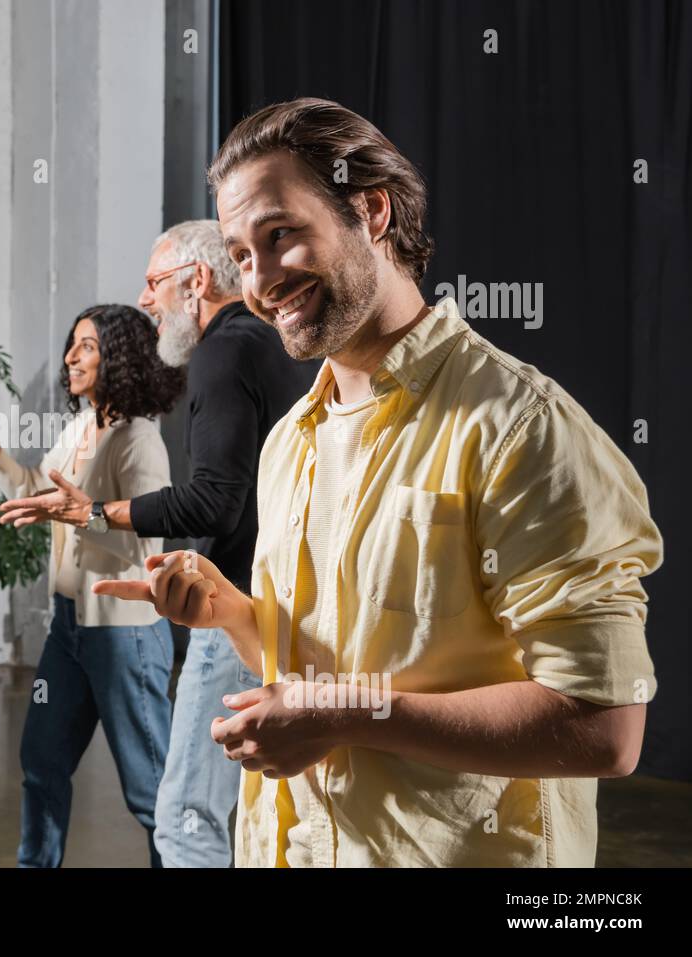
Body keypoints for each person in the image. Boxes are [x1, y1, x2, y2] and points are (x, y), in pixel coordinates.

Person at [94, 97, 662, 867]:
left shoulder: (521, 428)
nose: (260, 280)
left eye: (280, 234)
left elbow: (605, 725)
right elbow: (319, 672)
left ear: (371, 210)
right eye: (240, 252)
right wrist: (231, 612)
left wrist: (341, 713)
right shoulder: (293, 441)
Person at [0, 221, 315, 866]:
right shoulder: (269, 345)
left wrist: (97, 513)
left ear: (195, 281)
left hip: (218, 608)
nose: (146, 300)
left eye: (153, 283)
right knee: (238, 809)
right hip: (252, 603)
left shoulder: (221, 356)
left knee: (180, 815)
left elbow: (210, 503)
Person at [0, 304, 184, 866]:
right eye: (73, 344)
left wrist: (83, 515)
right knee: (41, 763)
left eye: (86, 346)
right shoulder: (81, 428)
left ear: (119, 357)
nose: (70, 356)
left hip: (125, 638)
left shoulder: (140, 441)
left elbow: (144, 543)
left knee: (151, 790)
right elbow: (42, 490)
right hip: (70, 631)